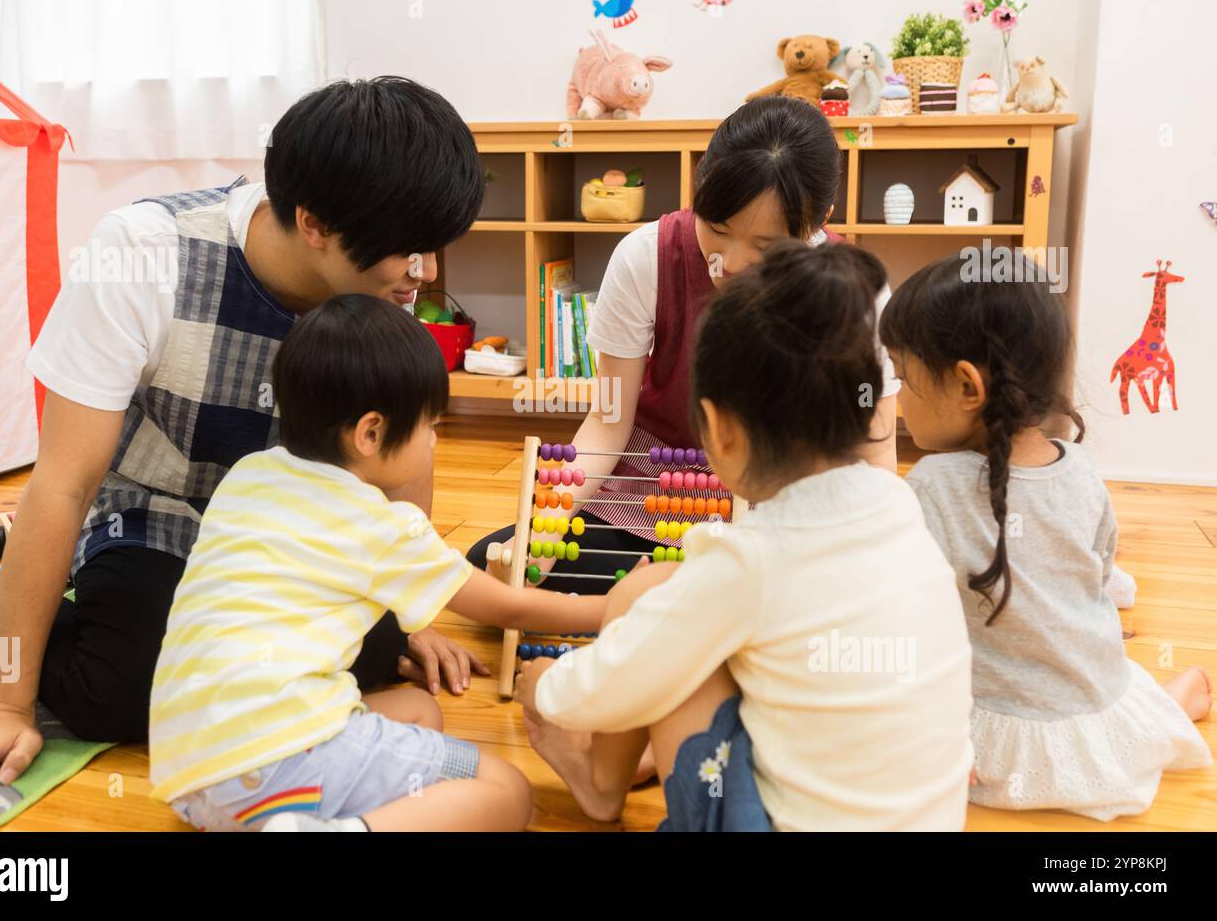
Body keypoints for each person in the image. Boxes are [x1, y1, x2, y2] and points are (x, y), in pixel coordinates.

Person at [0, 77, 489, 818]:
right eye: (408, 251)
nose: (427, 272)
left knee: (377, 654)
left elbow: (405, 450)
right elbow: (62, 485)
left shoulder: (387, 289)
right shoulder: (145, 253)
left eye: (432, 248)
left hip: (294, 532)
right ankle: (0, 593)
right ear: (314, 222)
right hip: (161, 515)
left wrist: (415, 609)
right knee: (119, 688)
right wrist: (3, 704)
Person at [514, 242, 973, 831]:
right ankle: (604, 783)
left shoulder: (750, 559)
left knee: (660, 614)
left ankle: (604, 781)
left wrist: (548, 688)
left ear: (721, 429)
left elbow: (631, 671)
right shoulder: (901, 509)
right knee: (666, 595)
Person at [152, 296, 603, 831]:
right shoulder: (380, 524)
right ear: (370, 433)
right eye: (430, 425)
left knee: (421, 713)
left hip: (191, 769)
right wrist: (610, 609)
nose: (434, 439)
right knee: (506, 793)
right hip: (282, 753)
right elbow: (504, 604)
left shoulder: (248, 475)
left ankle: (271, 817)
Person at [466, 97, 899, 592]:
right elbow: (608, 420)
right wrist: (541, 530)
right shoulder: (646, 256)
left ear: (820, 219)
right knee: (495, 564)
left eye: (767, 246)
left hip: (784, 510)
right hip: (656, 500)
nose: (732, 262)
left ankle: (689, 608)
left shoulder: (855, 292)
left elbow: (875, 444)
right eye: (717, 229)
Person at [882, 254, 1212, 821]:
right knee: (1126, 716)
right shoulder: (1082, 470)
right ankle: (1172, 703)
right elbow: (1101, 573)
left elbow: (900, 616)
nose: (898, 396)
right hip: (1093, 710)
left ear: (967, 386)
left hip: (996, 739)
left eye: (902, 375)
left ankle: (1173, 701)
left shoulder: (932, 484)